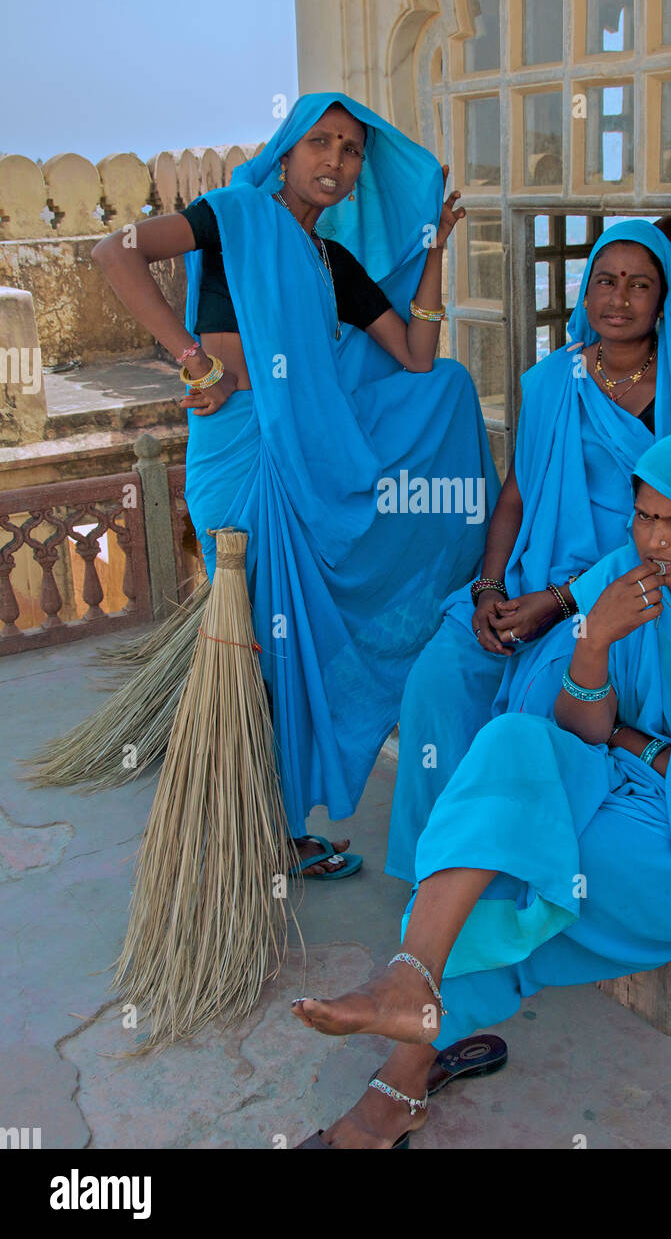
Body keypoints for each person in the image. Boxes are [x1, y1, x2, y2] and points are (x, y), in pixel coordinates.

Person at [291, 430, 671, 1148]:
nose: (655, 538)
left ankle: (396, 1082)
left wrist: (635, 744)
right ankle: (409, 983)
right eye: (644, 516)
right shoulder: (618, 578)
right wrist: (593, 642)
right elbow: (576, 728)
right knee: (509, 744)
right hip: (617, 778)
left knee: (517, 860)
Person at [92, 92, 499, 876]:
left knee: (446, 388)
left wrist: (436, 250)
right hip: (242, 458)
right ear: (286, 152)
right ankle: (250, 831)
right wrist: (191, 358)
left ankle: (264, 829)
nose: (337, 161)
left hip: (307, 469)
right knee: (257, 656)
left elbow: (416, 357)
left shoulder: (331, 264)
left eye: (351, 151)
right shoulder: (233, 215)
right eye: (322, 142)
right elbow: (116, 252)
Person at [386, 219, 671, 884]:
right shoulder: (550, 381)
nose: (618, 299)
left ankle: (507, 874)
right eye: (605, 280)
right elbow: (516, 493)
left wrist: (562, 600)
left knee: (540, 700)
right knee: (439, 675)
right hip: (526, 577)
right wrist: (488, 591)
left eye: (639, 285)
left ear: (664, 301)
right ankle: (435, 869)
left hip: (627, 587)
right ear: (586, 288)